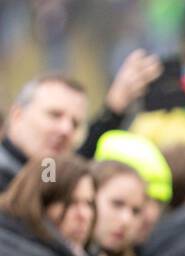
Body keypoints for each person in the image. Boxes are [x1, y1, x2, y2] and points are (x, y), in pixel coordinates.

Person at [0, 52, 163, 191]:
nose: (66, 129)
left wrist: (115, 108)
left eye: (75, 124)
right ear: (17, 115)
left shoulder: (48, 178)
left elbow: (79, 161)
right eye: (54, 115)